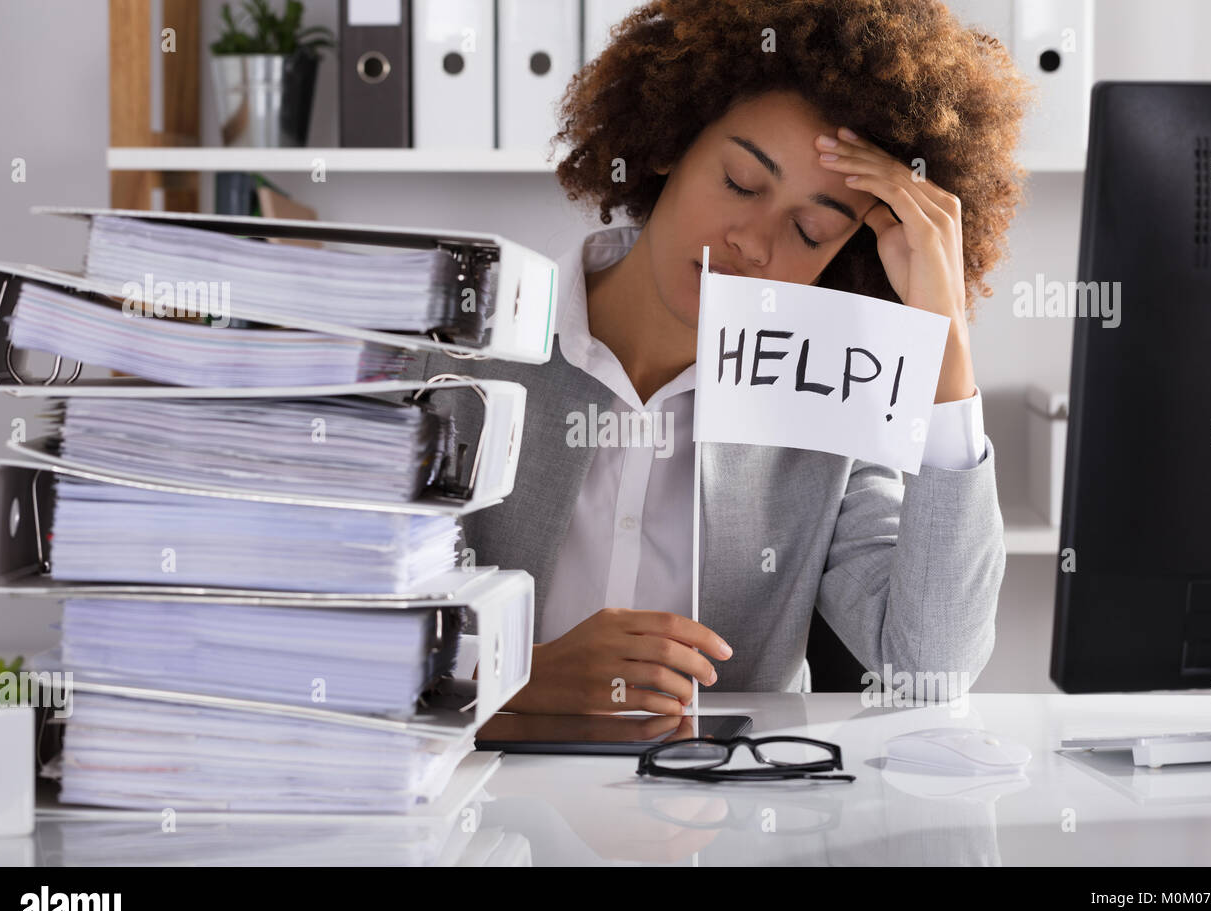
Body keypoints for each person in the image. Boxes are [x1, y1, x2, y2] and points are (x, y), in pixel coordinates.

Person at [421, 0, 1031, 714]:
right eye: (741, 183)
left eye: (809, 230)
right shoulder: (461, 350)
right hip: (488, 811)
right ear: (670, 144)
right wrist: (513, 680)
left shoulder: (828, 401)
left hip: (730, 815)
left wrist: (945, 344)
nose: (755, 243)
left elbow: (931, 662)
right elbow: (355, 636)